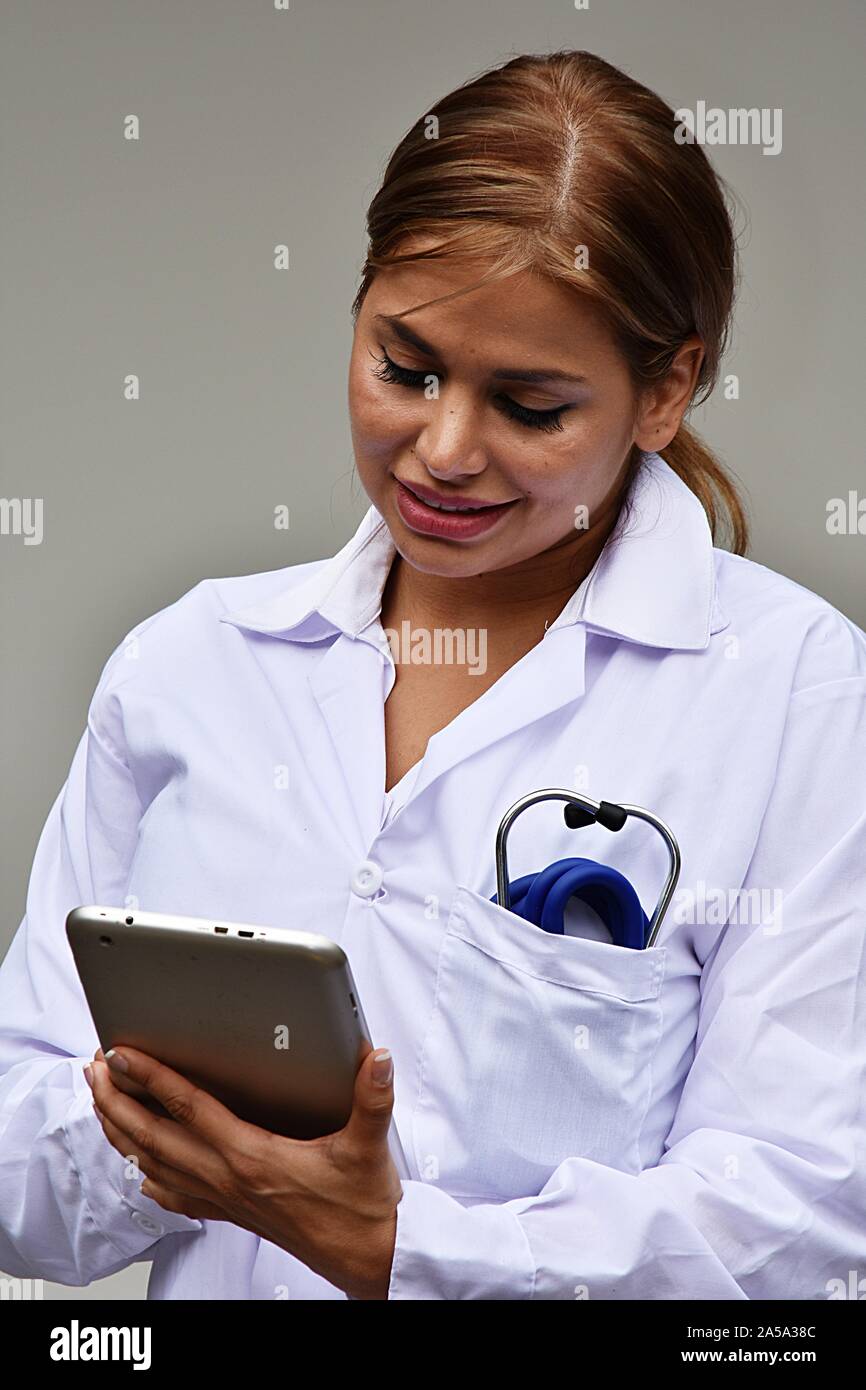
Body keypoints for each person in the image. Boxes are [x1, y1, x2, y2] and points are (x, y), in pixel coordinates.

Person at [1, 50, 864, 1301]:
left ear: (664, 388)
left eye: (528, 404)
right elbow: (22, 1184)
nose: (442, 450)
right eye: (403, 369)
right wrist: (164, 1142)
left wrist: (401, 1249)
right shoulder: (193, 668)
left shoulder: (795, 700)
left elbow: (801, 1222)